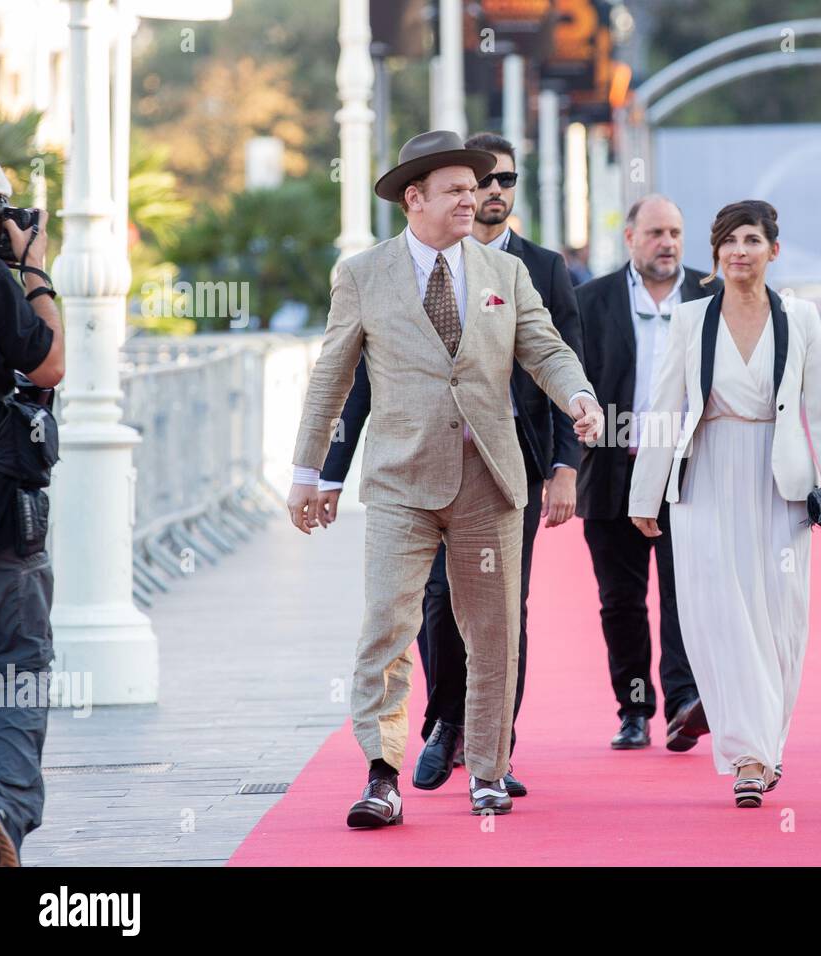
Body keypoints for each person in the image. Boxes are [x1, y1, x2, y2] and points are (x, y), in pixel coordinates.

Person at [286, 130, 603, 827]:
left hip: (490, 480)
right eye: (458, 188)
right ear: (415, 197)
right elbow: (332, 380)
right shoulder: (363, 274)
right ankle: (380, 775)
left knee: (494, 633)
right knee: (387, 628)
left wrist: (577, 396)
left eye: (479, 186)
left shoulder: (506, 274)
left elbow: (546, 349)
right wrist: (310, 470)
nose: (476, 198)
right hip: (401, 483)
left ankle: (488, 770)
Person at [628, 200, 821, 807]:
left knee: (779, 615)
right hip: (708, 473)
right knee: (717, 612)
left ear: (775, 251)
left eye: (752, 240)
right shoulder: (691, 320)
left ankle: (767, 742)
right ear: (716, 253)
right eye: (728, 241)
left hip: (780, 478)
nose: (738, 251)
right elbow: (665, 410)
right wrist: (646, 491)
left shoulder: (798, 318)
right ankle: (749, 754)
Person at [575, 195, 721, 752]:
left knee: (684, 593)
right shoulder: (591, 300)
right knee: (621, 600)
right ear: (631, 237)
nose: (668, 243)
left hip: (687, 472)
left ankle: (683, 703)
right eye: (656, 232)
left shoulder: (710, 297)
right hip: (615, 469)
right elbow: (568, 375)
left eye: (677, 233)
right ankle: (633, 709)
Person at [0, 152, 65, 867]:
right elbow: (46, 364)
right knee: (14, 672)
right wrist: (33, 269)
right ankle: (2, 812)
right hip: (2, 536)